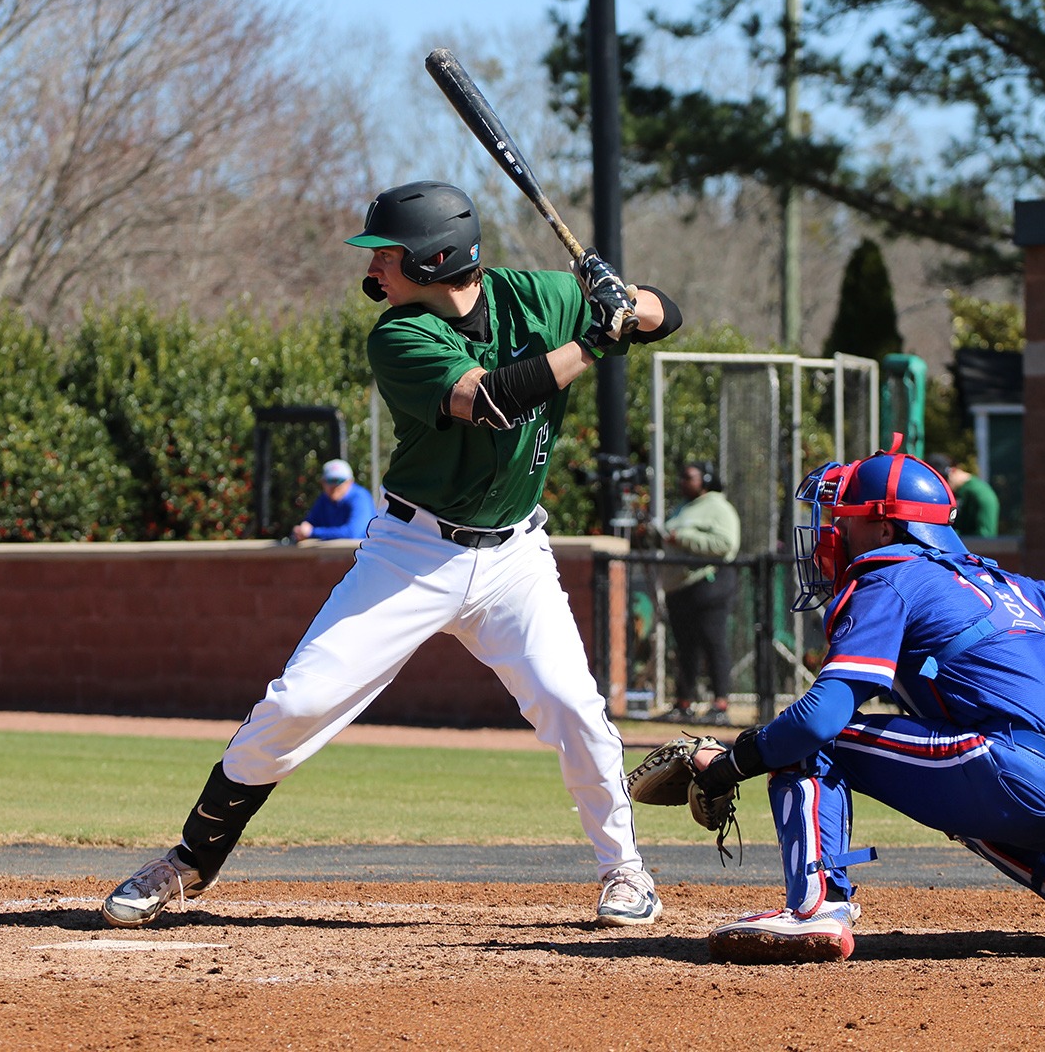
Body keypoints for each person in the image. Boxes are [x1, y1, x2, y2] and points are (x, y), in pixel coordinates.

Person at [102, 180, 685, 929]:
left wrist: (626, 303)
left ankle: (625, 871)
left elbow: (668, 312)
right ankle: (189, 859)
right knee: (299, 703)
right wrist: (596, 340)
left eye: (386, 253)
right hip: (412, 553)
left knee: (575, 707)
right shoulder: (398, 335)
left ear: (434, 259)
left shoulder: (539, 297)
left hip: (515, 558)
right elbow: (490, 401)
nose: (373, 267)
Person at [681, 437, 1045, 962]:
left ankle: (817, 907)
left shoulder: (887, 576)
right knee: (967, 767)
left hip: (1018, 774)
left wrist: (730, 764)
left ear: (886, 529)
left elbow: (819, 720)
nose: (832, 533)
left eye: (844, 520)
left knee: (815, 741)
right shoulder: (1004, 580)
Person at [656, 461, 740, 726]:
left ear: (705, 479)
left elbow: (726, 543)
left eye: (689, 477)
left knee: (713, 642)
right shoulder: (683, 507)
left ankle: (720, 704)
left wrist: (683, 538)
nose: (683, 482)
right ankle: (684, 703)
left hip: (708, 583)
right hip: (679, 587)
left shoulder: (718, 507)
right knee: (684, 647)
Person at [290, 459, 375, 542]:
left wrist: (312, 532)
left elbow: (352, 533)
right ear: (322, 482)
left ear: (350, 482)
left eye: (339, 480)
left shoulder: (360, 497)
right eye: (330, 480)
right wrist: (300, 532)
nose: (334, 486)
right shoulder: (324, 499)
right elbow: (308, 525)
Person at [927, 453, 1000, 537]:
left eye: (943, 480)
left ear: (953, 471)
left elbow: (985, 537)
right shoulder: (957, 492)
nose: (942, 486)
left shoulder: (981, 495)